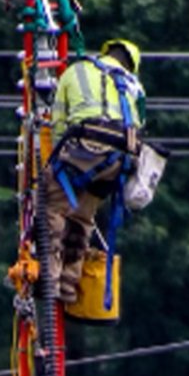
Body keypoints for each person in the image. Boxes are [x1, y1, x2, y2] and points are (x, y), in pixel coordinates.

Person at [44, 38, 145, 303]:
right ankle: (68, 285)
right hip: (119, 161)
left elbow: (58, 124)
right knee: (82, 217)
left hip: (85, 146)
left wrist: (56, 163)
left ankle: (50, 280)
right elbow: (139, 127)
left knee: (54, 204)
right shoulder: (133, 85)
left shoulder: (75, 71)